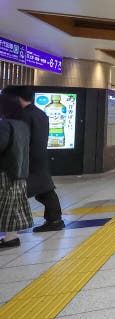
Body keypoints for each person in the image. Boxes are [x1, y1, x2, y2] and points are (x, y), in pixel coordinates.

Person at [1, 86, 64, 232]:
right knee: (45, 189)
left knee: (16, 192)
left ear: (17, 98)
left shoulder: (21, 115)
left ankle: (12, 231)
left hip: (24, 158)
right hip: (39, 156)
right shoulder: (40, 113)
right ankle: (54, 219)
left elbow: (16, 138)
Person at [0, 93, 33, 249]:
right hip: (19, 171)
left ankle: (11, 238)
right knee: (12, 204)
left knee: (5, 203)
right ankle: (11, 237)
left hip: (5, 171)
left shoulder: (5, 125)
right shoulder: (22, 125)